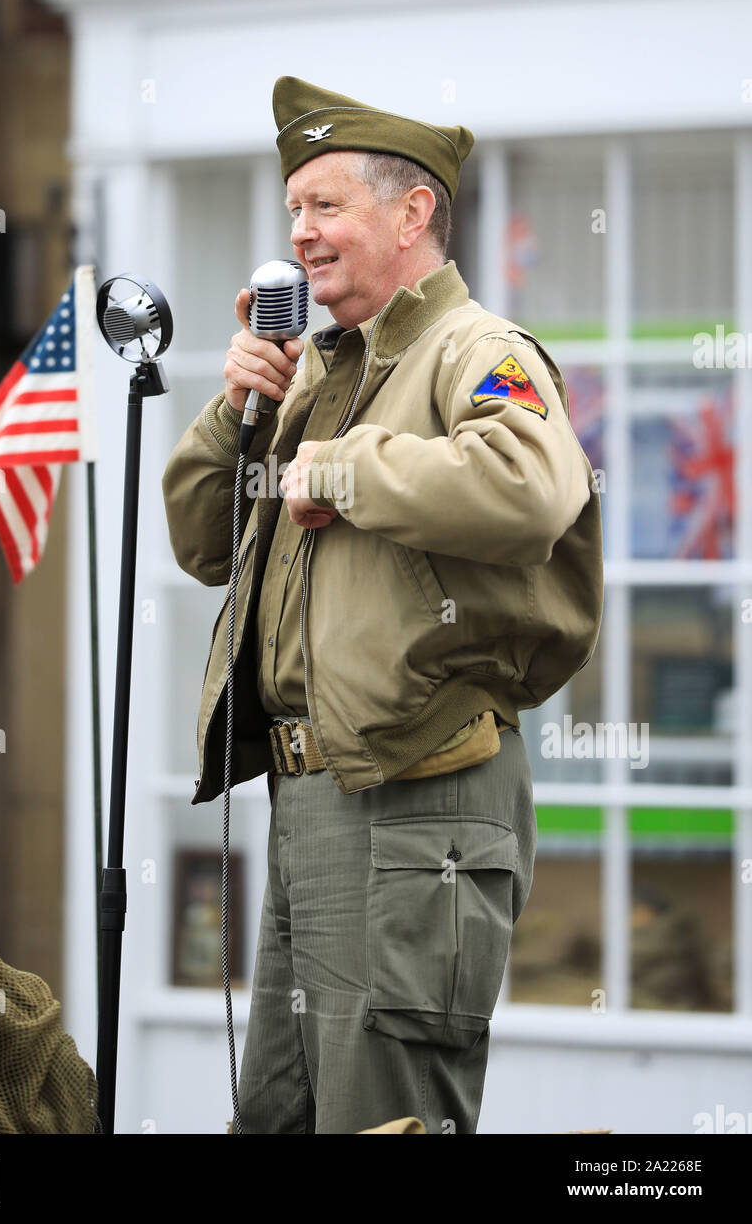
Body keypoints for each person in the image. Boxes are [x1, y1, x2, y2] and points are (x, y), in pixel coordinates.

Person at [162, 75, 604, 1134]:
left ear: (412, 214)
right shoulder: (316, 371)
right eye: (293, 213)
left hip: (420, 806)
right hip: (312, 796)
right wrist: (241, 413)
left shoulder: (476, 351)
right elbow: (196, 540)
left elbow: (532, 488)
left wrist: (346, 469)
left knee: (385, 1119)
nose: (300, 234)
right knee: (279, 1119)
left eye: (325, 205)